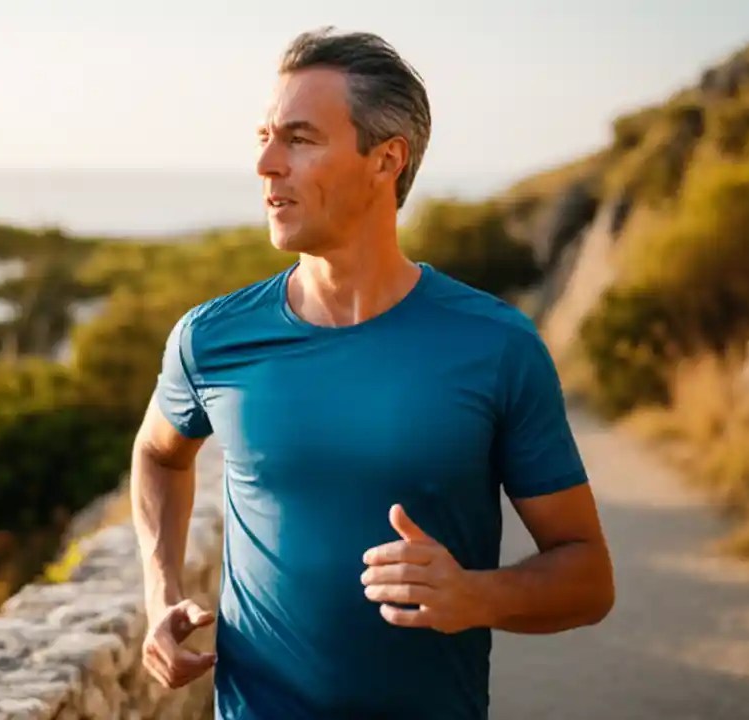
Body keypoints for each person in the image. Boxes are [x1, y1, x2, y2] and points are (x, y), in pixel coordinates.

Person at [130, 26, 615, 720]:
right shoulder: (210, 338)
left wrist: (476, 596)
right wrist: (159, 592)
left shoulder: (495, 346)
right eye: (264, 136)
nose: (266, 163)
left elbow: (588, 577)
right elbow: (157, 452)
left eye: (299, 138)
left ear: (386, 160)